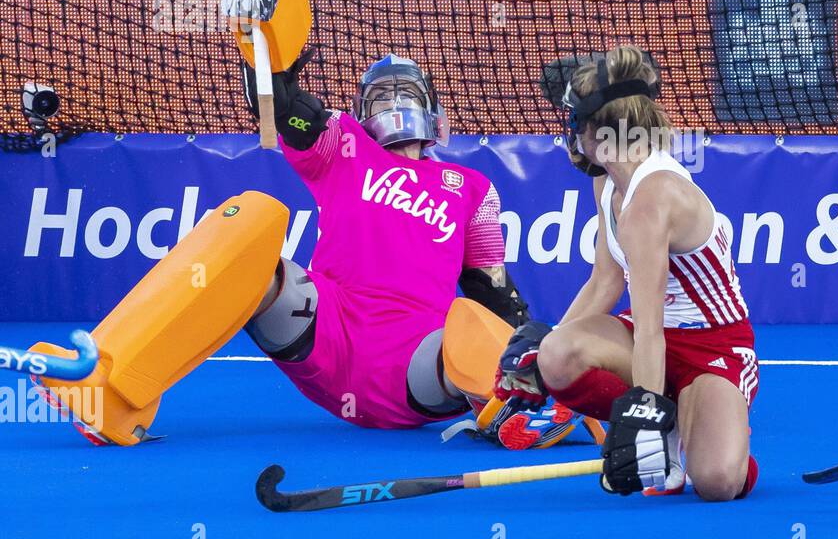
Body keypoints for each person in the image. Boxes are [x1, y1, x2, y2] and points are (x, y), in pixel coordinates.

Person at [34, 50, 590, 449]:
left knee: (474, 319)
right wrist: (268, 68)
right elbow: (288, 113)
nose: (393, 103)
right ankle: (107, 386)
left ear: (436, 115)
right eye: (379, 96)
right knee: (249, 216)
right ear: (361, 111)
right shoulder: (344, 144)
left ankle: (516, 413)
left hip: (416, 364)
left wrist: (548, 365)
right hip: (327, 330)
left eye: (407, 94)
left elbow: (491, 288)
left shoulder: (473, 189)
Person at [494, 46, 759, 501]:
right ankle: (677, 421)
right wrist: (540, 349)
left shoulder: (650, 202)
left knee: (716, 483)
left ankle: (699, 428)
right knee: (556, 354)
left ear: (599, 131)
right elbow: (606, 280)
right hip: (647, 337)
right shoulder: (608, 178)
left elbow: (652, 327)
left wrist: (643, 413)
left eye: (575, 124)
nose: (571, 135)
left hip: (714, 345)